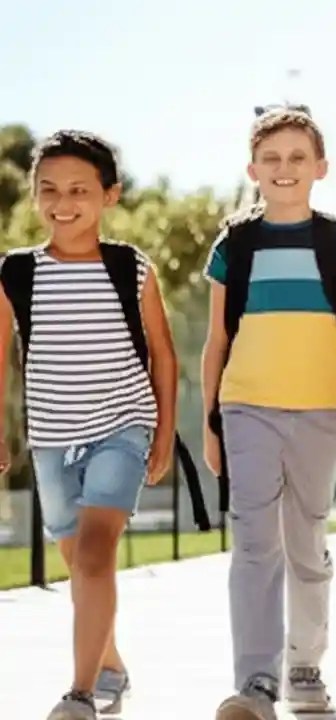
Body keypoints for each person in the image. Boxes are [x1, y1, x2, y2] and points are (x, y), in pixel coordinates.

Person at [203, 108, 336, 720]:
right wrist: (210, 422)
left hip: (322, 408)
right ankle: (256, 681)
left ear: (320, 167)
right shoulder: (233, 247)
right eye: (271, 159)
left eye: (296, 158)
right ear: (252, 170)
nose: (283, 169)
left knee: (306, 541)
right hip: (246, 406)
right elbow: (216, 341)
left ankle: (306, 662)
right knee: (256, 544)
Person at [0, 130, 179, 720]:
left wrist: (161, 432)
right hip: (52, 436)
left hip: (121, 426)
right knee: (80, 566)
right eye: (48, 189)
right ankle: (111, 666)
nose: (63, 201)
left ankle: (79, 694)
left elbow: (163, 354)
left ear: (110, 196)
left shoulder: (132, 267)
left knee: (96, 557)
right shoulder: (17, 273)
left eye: (79, 189)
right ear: (34, 195)